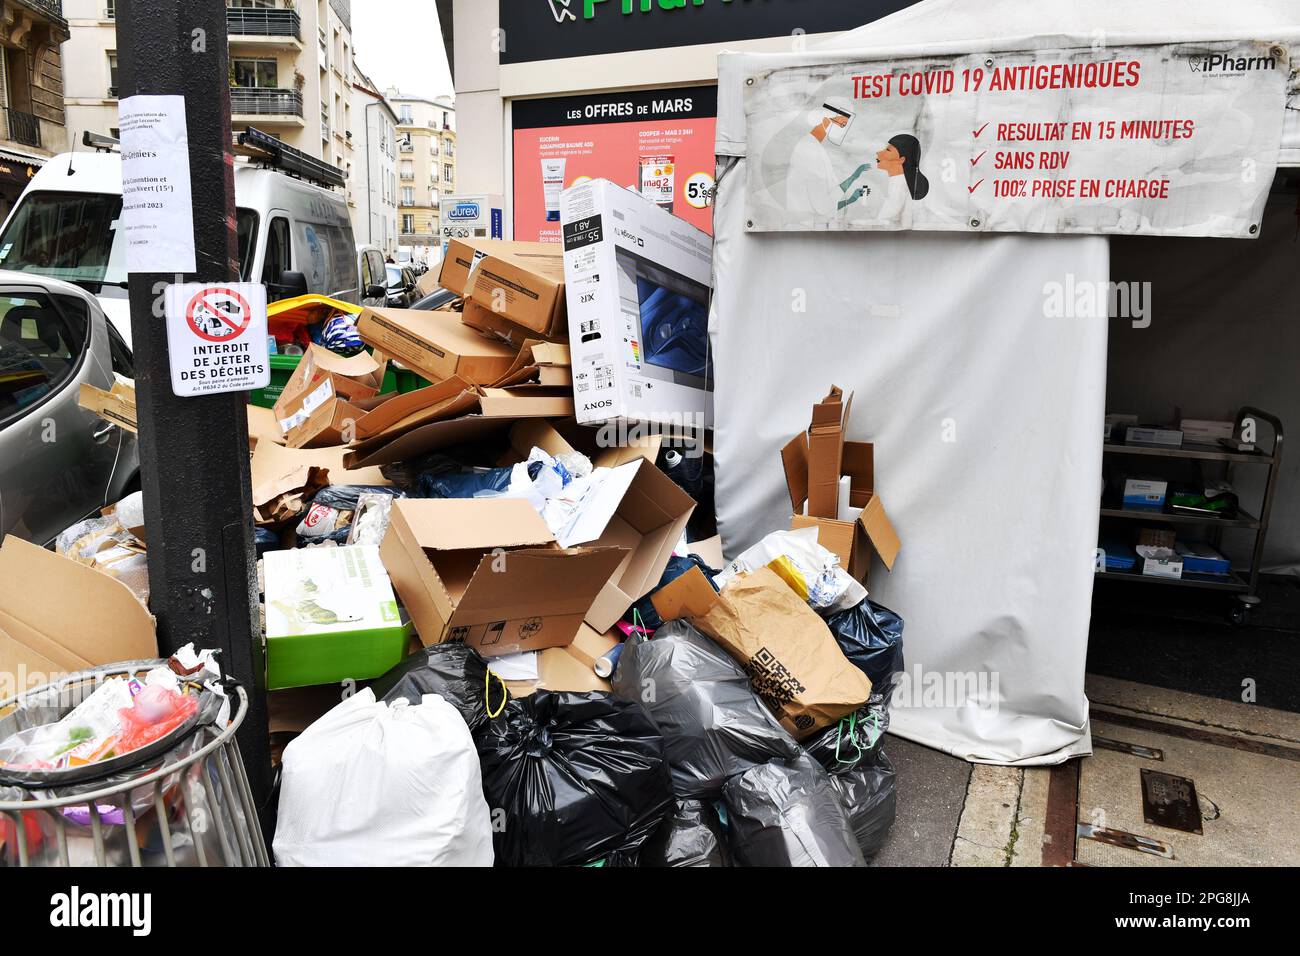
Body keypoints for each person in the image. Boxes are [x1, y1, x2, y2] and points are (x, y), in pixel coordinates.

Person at [786, 99, 867, 220]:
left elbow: (826, 203)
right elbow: (823, 207)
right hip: (806, 226)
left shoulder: (815, 147)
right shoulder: (809, 150)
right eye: (842, 124)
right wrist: (853, 178)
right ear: (825, 120)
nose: (843, 130)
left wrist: (851, 199)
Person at [873, 134, 929, 228]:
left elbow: (884, 218)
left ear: (901, 159)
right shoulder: (897, 182)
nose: (878, 152)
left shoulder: (898, 185)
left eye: (888, 150)